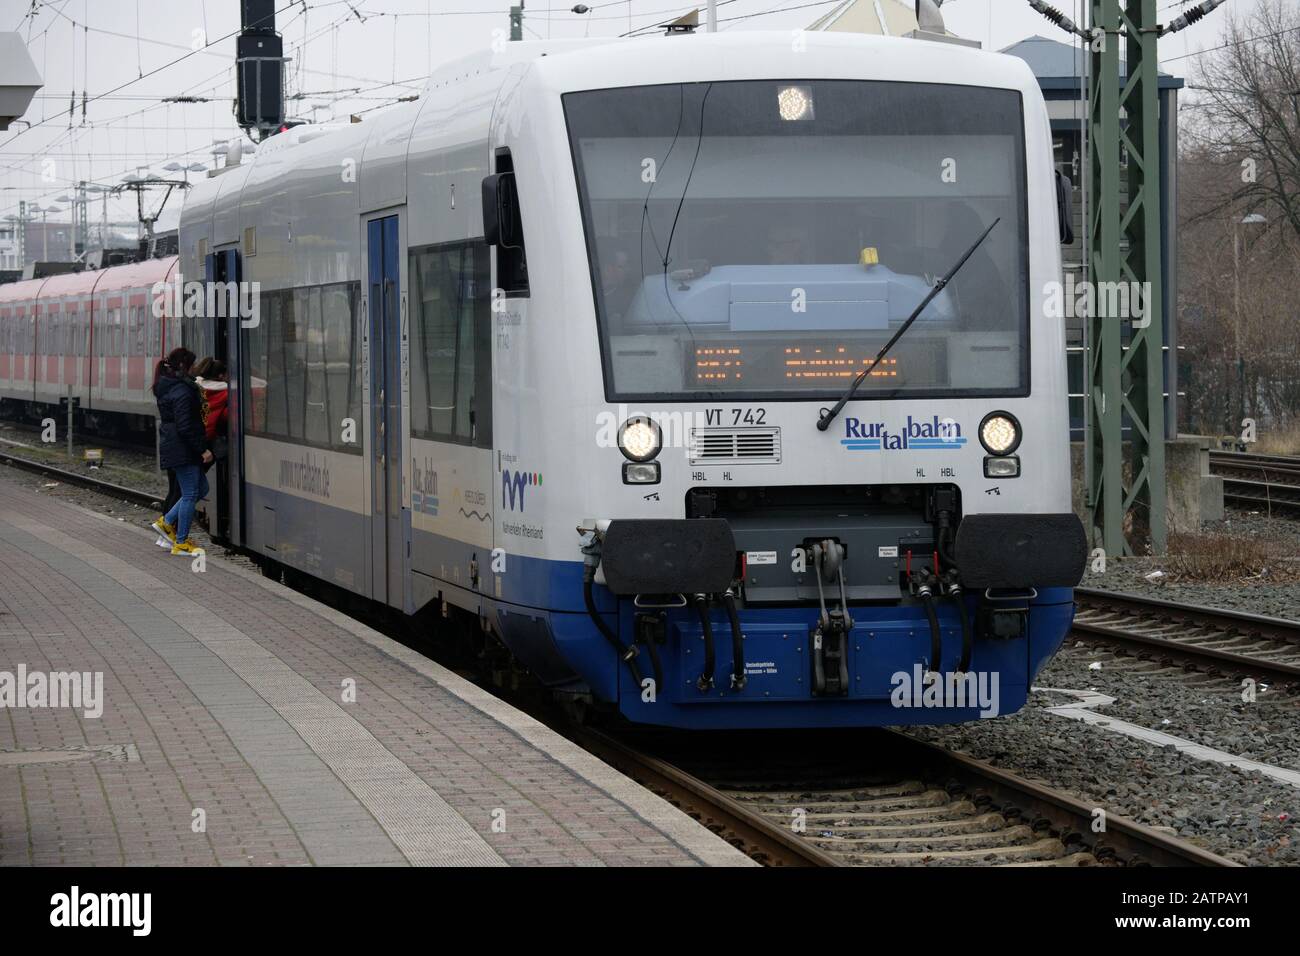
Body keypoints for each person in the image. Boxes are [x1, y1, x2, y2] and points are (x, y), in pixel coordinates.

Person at [149, 347, 211, 556]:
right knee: (191, 493)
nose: (195, 368)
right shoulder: (182, 391)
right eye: (193, 364)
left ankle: (165, 522)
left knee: (201, 489)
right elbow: (185, 426)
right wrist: (202, 449)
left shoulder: (170, 387)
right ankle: (181, 542)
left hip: (176, 446)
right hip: (182, 448)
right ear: (184, 366)